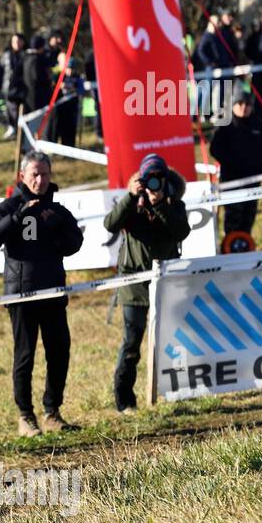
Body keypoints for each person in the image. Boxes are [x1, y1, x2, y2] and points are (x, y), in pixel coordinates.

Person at [0, 152, 84, 437]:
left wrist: (55, 226)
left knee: (59, 351)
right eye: (35, 174)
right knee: (25, 356)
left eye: (45, 174)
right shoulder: (10, 205)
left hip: (53, 291)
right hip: (21, 295)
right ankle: (25, 416)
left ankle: (53, 412)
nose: (40, 180)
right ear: (22, 176)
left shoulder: (56, 209)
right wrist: (16, 218)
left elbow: (76, 243)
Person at [102, 154, 190, 413]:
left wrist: (161, 205)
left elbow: (181, 231)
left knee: (173, 338)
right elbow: (111, 224)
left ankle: (177, 390)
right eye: (149, 179)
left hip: (165, 279)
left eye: (158, 179)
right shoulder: (132, 202)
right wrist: (131, 197)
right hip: (134, 280)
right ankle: (125, 399)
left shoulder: (174, 202)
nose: (154, 184)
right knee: (132, 342)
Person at [209, 88, 262, 248]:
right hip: (232, 182)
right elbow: (215, 149)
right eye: (240, 104)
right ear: (233, 105)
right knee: (233, 219)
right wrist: (233, 163)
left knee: (248, 217)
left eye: (247, 104)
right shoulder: (225, 125)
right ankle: (230, 248)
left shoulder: (257, 124)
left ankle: (245, 247)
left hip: (253, 181)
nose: (244, 108)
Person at [1, 34, 27, 140]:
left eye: (18, 41)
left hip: (21, 89)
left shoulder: (25, 55)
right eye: (14, 41)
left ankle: (20, 131)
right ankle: (11, 127)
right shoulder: (6, 55)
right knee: (9, 109)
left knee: (19, 111)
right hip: (8, 88)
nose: (16, 43)